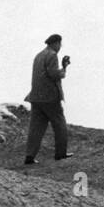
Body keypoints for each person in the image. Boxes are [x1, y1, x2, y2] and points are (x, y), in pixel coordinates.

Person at [24, 34, 73, 165]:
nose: (60, 47)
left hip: (36, 97)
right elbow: (53, 74)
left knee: (36, 128)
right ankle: (60, 154)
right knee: (60, 124)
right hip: (49, 97)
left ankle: (30, 156)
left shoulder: (38, 55)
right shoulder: (52, 55)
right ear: (56, 43)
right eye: (60, 44)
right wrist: (64, 68)